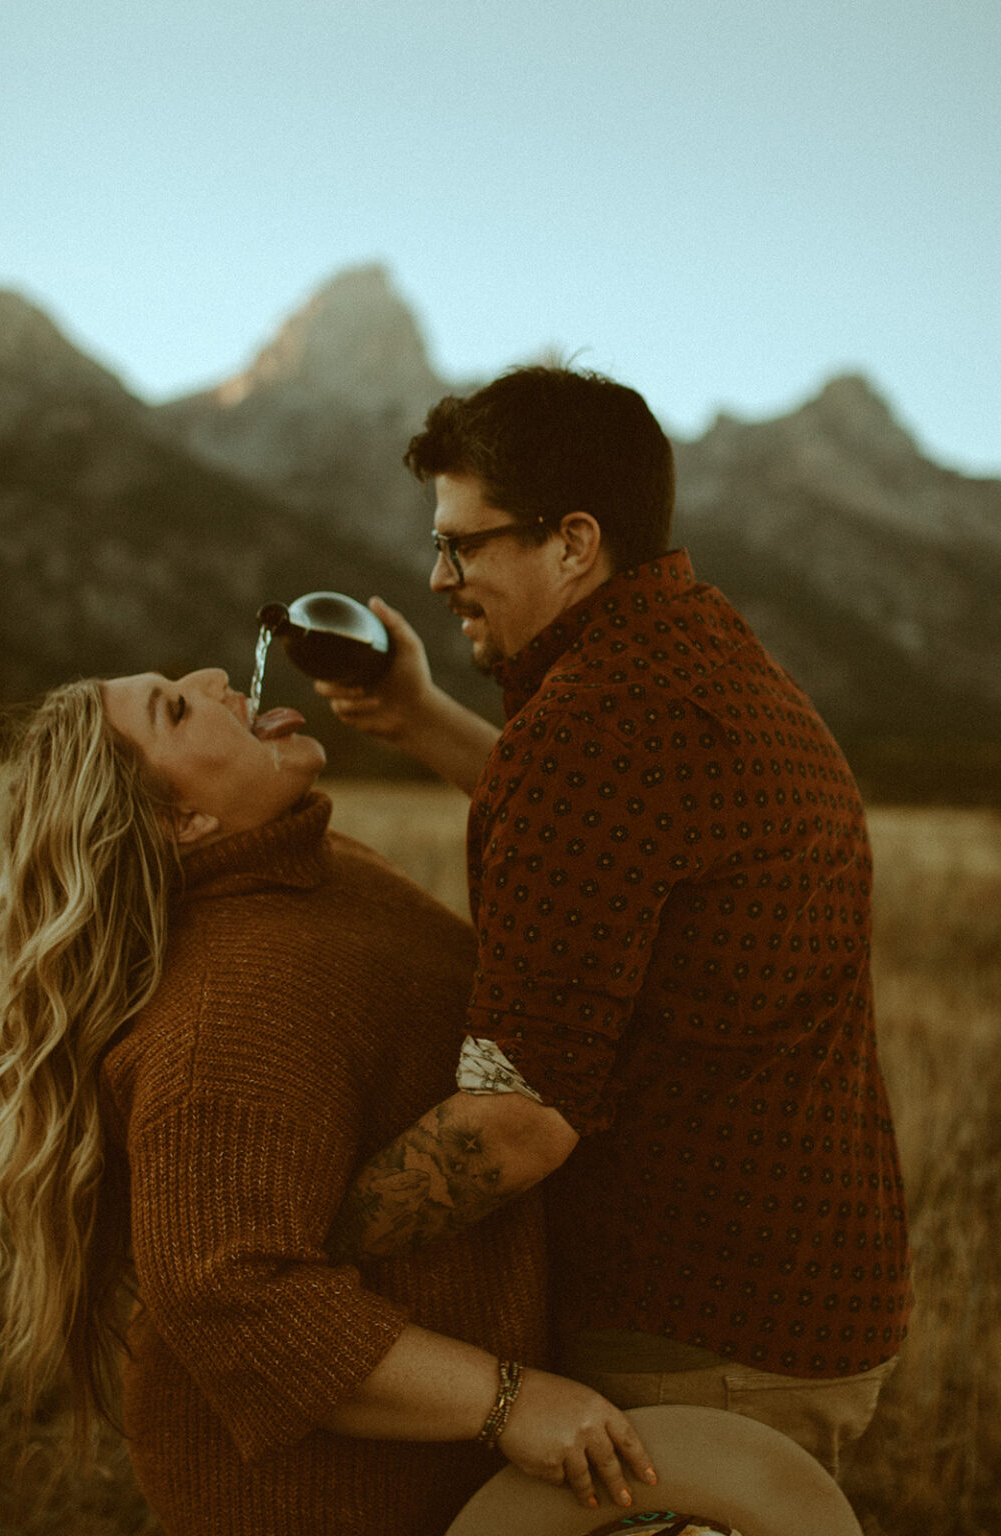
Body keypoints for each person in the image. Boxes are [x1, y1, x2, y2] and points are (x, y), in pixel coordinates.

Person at [315, 366, 914, 1480]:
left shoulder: (593, 726)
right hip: (808, 1312)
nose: (437, 575)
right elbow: (611, 855)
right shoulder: (686, 655)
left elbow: (516, 1127)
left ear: (573, 541)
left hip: (691, 1337)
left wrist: (287, 1247)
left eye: (464, 544)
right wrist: (417, 717)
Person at [0, 667, 657, 1536]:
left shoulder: (322, 871)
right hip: (318, 1503)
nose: (216, 677)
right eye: (176, 708)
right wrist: (512, 1404)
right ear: (179, 820)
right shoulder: (227, 1013)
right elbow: (228, 1291)